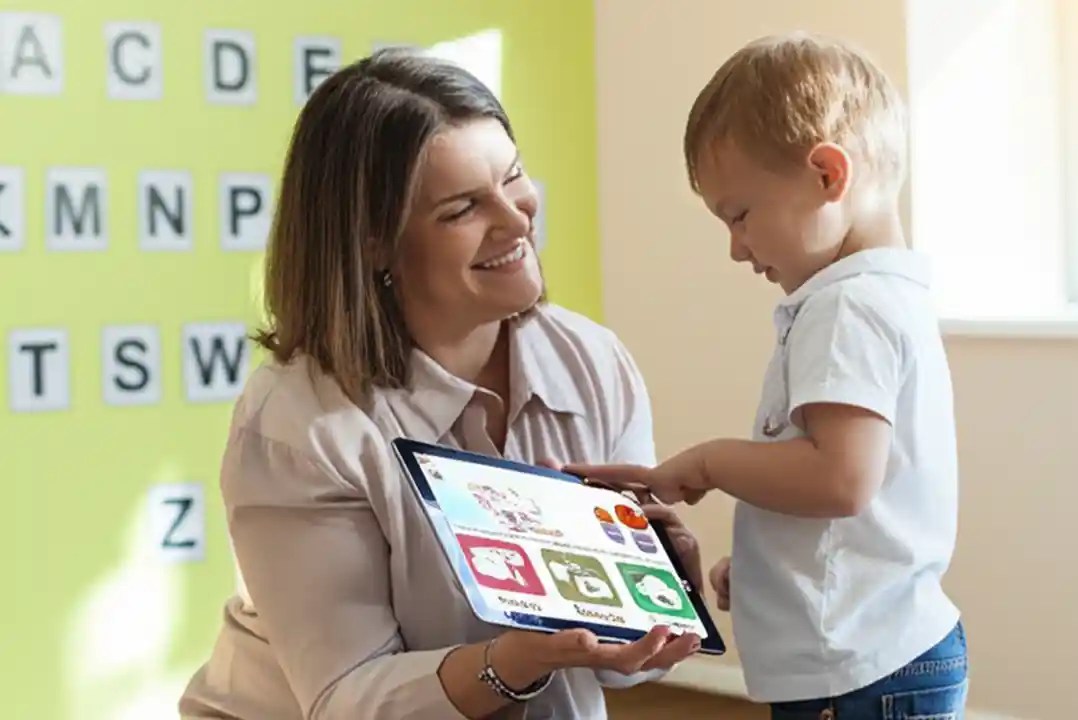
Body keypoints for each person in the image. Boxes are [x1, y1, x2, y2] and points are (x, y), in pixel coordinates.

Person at [178, 50, 701, 720]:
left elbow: (616, 669)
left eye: (513, 177)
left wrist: (656, 601)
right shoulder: (300, 424)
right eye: (462, 209)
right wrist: (518, 660)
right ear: (373, 242)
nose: (516, 221)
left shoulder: (593, 363)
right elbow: (347, 699)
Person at [569, 33, 968, 719]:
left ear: (826, 175)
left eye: (741, 215)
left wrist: (710, 461)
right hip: (881, 649)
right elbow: (857, 502)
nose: (735, 248)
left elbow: (839, 479)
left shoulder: (845, 306)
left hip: (859, 675)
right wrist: (769, 571)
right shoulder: (885, 294)